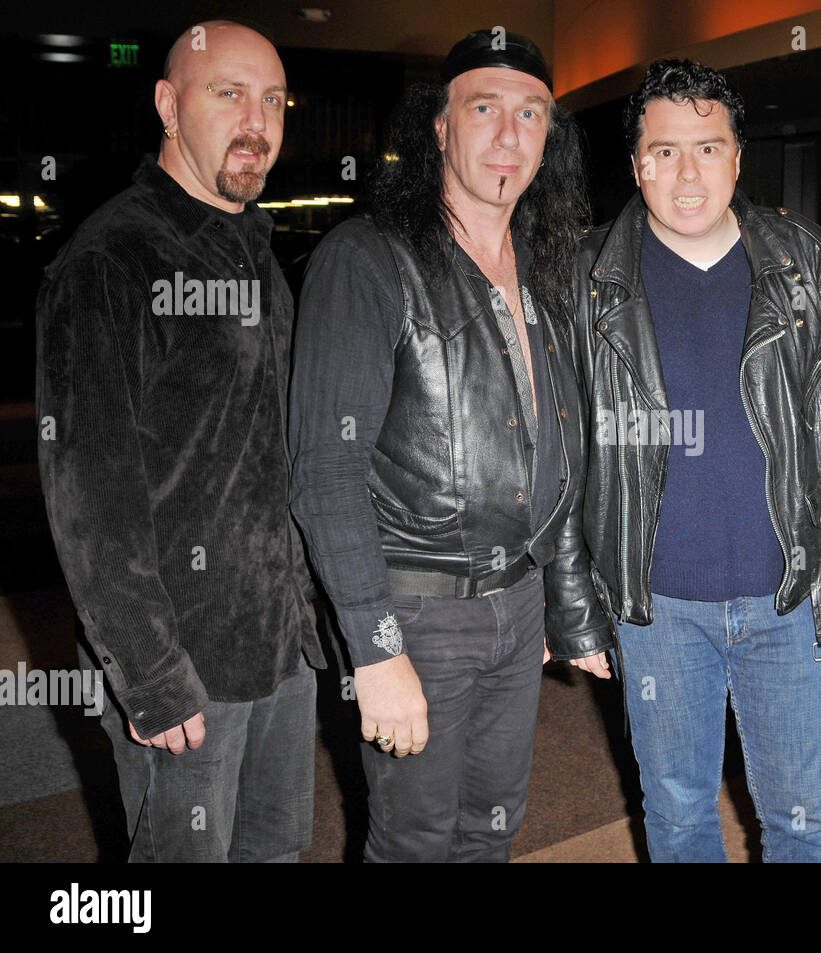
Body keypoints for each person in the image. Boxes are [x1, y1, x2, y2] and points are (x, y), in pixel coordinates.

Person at [289, 29, 610, 862]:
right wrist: (377, 650)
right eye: (484, 108)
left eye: (531, 114)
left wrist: (544, 590)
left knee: (492, 825)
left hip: (518, 604)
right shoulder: (367, 259)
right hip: (417, 611)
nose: (509, 134)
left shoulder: (542, 266)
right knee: (414, 840)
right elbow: (324, 471)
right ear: (439, 127)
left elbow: (552, 443)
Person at [568, 59, 821, 862]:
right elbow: (563, 460)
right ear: (636, 164)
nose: (688, 173)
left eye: (708, 148)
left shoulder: (806, 260)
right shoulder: (584, 279)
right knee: (678, 818)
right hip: (655, 607)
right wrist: (574, 603)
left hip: (789, 596)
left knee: (804, 820)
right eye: (665, 151)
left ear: (738, 159)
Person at [35, 21, 324, 862]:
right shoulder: (110, 260)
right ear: (168, 105)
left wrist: (309, 618)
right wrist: (151, 674)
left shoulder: (257, 252)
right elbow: (90, 499)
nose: (257, 122)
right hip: (186, 665)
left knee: (274, 852)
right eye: (228, 93)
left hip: (280, 646)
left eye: (273, 100)